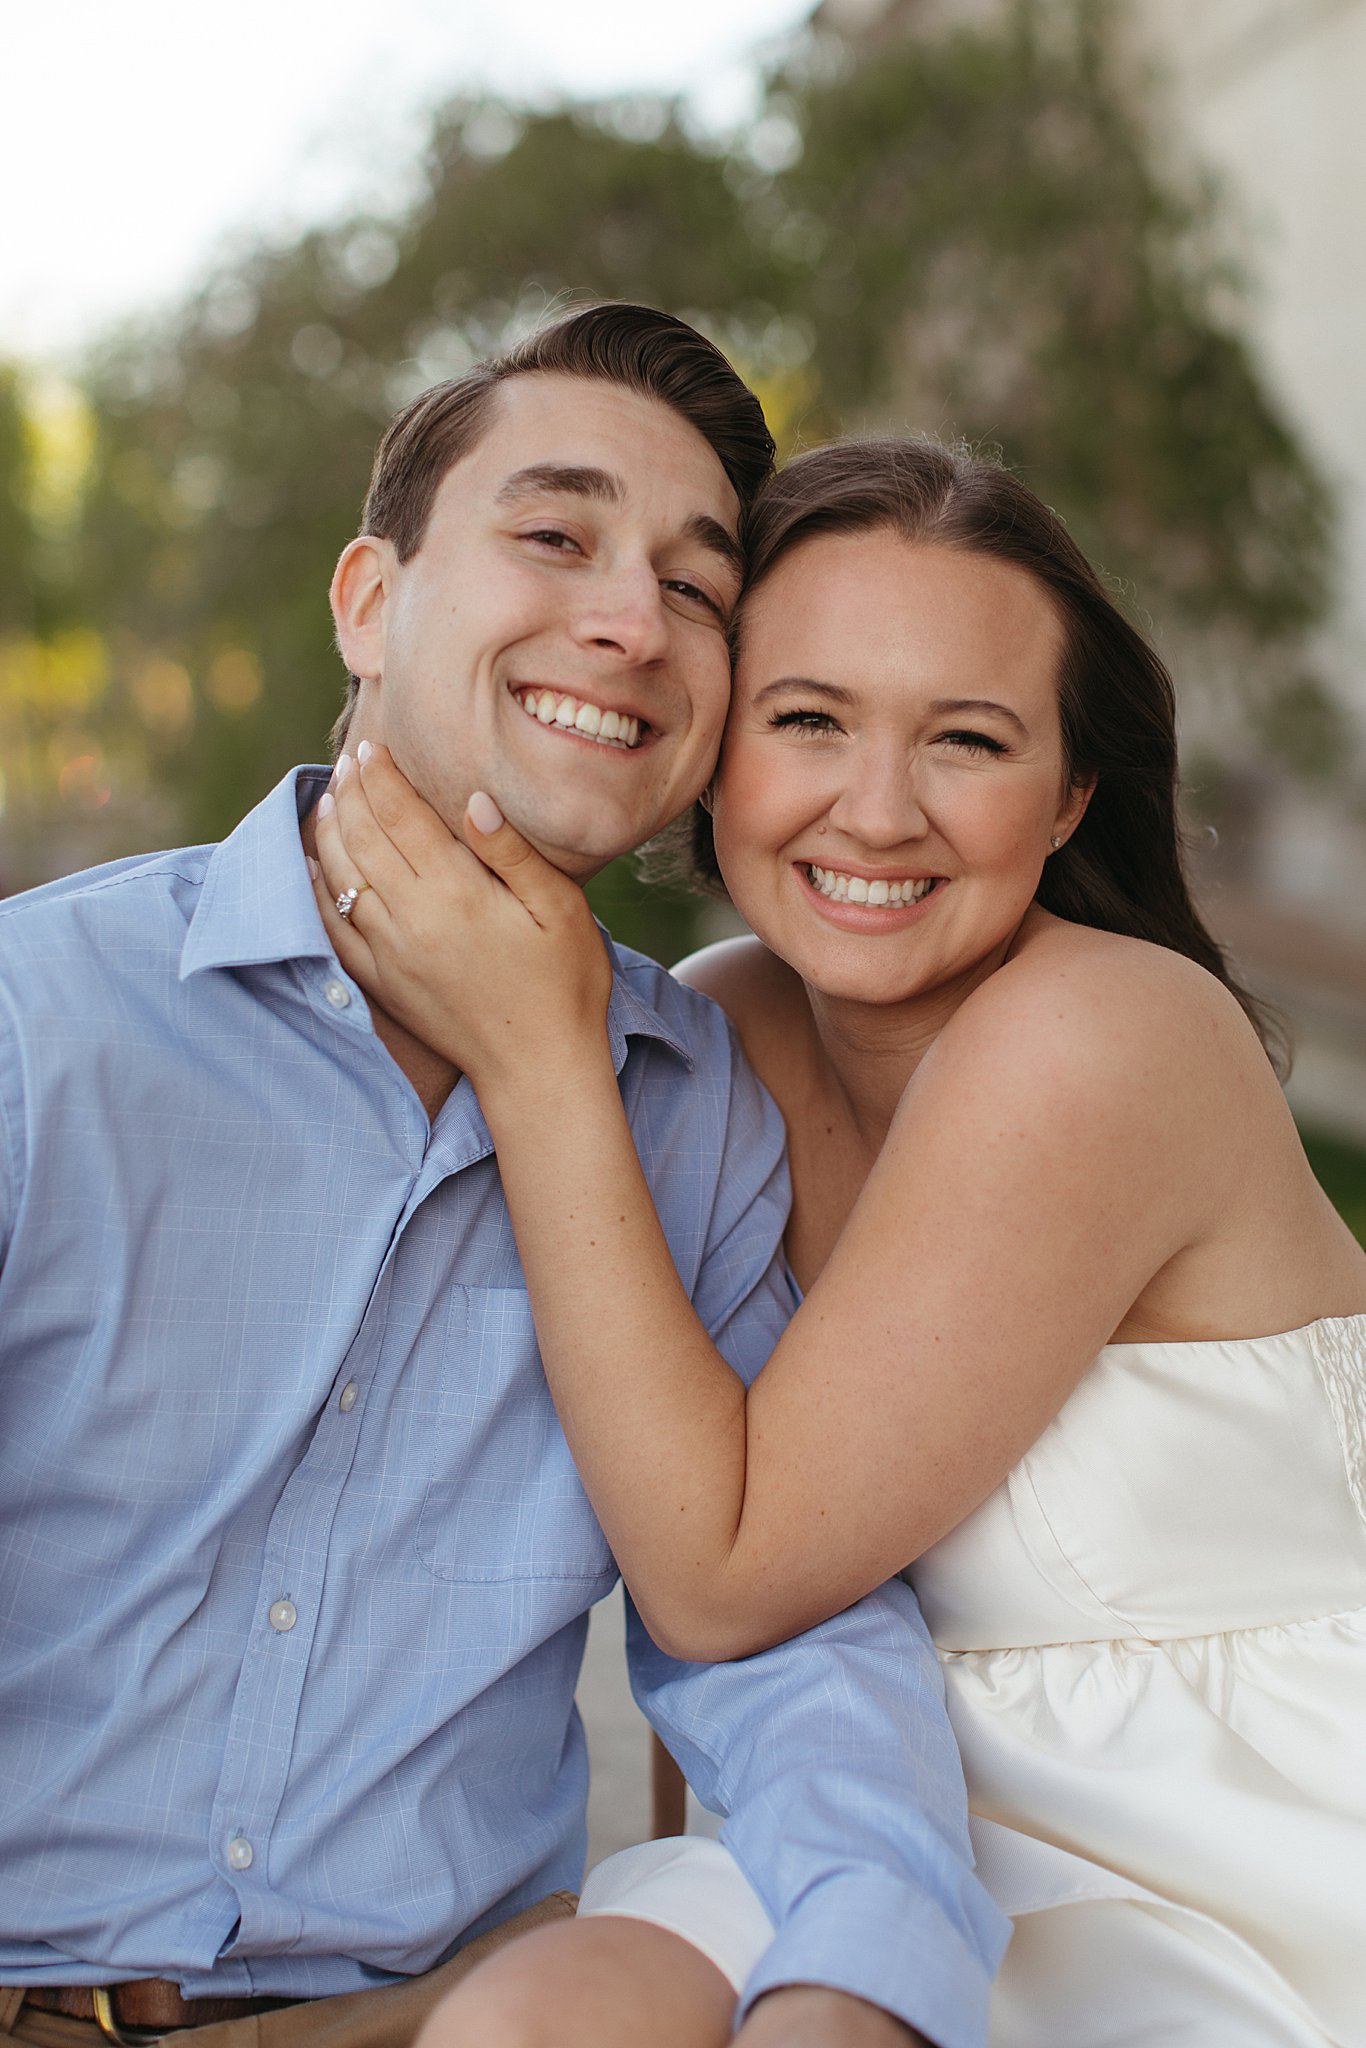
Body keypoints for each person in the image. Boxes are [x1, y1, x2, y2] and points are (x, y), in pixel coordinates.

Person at [0, 314, 1008, 2048]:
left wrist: (863, 1976)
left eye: (698, 590)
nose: (629, 621)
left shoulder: (695, 1119)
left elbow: (783, 1636)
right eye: (554, 537)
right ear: (369, 600)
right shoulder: (40, 1026)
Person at [313, 435, 1366, 2047]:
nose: (876, 814)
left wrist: (540, 1056)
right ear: (719, 749)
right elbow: (697, 1547)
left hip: (1239, 1848)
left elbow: (721, 1571)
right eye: (806, 721)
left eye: (967, 740)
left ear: (1068, 792)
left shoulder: (1102, 1038)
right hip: (869, 1815)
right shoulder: (725, 1018)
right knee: (536, 2020)